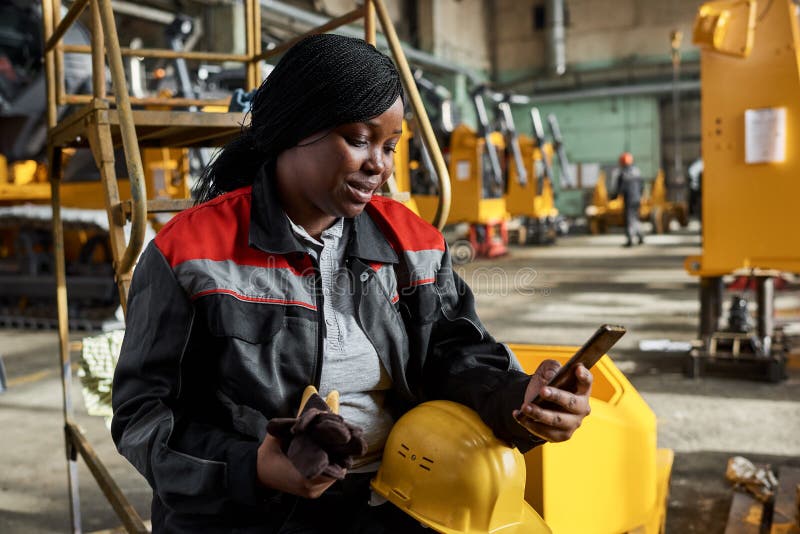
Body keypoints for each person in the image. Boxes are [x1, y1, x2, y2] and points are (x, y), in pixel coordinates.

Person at [111, 34, 593, 533]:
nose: (379, 165)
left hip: (387, 500)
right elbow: (142, 415)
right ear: (295, 127)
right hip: (242, 515)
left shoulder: (412, 242)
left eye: (390, 146)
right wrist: (251, 467)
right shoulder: (190, 251)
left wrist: (519, 398)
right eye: (359, 140)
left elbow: (454, 353)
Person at [613, 151, 645, 246]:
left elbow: (619, 189)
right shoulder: (637, 172)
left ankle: (630, 239)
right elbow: (642, 186)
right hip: (637, 199)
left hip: (629, 199)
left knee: (629, 219)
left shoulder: (623, 174)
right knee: (635, 218)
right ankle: (640, 236)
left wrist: (614, 197)